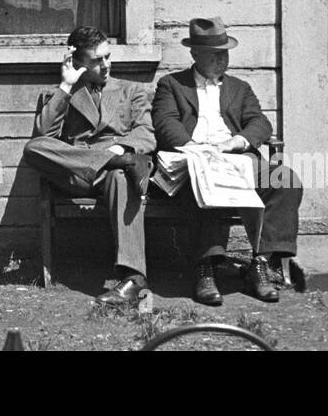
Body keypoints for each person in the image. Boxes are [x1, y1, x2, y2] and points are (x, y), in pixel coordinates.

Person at [152, 17, 303, 307]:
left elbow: (259, 122)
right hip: (194, 158)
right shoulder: (172, 84)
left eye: (225, 53)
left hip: (237, 158)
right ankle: (205, 269)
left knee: (286, 180)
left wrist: (236, 142)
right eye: (214, 54)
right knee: (203, 184)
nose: (222, 60)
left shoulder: (240, 88)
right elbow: (165, 123)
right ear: (195, 54)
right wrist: (197, 150)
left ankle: (260, 264)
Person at [23, 25, 156, 307]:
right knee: (33, 148)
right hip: (80, 174)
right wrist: (66, 85)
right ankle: (115, 161)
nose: (107, 65)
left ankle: (133, 279)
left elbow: (146, 134)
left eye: (108, 57)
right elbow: (44, 137)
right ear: (78, 62)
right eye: (98, 60)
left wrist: (119, 150)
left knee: (122, 176)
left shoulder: (132, 91)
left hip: (119, 170)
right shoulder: (65, 94)